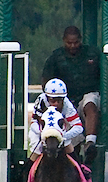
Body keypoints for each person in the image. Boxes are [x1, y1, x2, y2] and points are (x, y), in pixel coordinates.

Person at [42, 26, 100, 164]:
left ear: (80, 40)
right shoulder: (56, 57)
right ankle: (75, 157)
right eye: (69, 43)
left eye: (76, 42)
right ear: (64, 41)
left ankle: (90, 143)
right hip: (65, 100)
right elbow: (46, 80)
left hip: (87, 95)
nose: (73, 46)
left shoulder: (92, 54)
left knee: (90, 104)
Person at [26, 79, 84, 162]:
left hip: (60, 132)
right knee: (37, 148)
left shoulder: (68, 105)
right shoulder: (41, 100)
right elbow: (34, 122)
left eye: (59, 100)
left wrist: (64, 136)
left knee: (69, 147)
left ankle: (80, 170)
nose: (56, 103)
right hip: (41, 131)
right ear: (47, 98)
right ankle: (27, 171)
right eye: (53, 100)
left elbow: (78, 127)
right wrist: (43, 133)